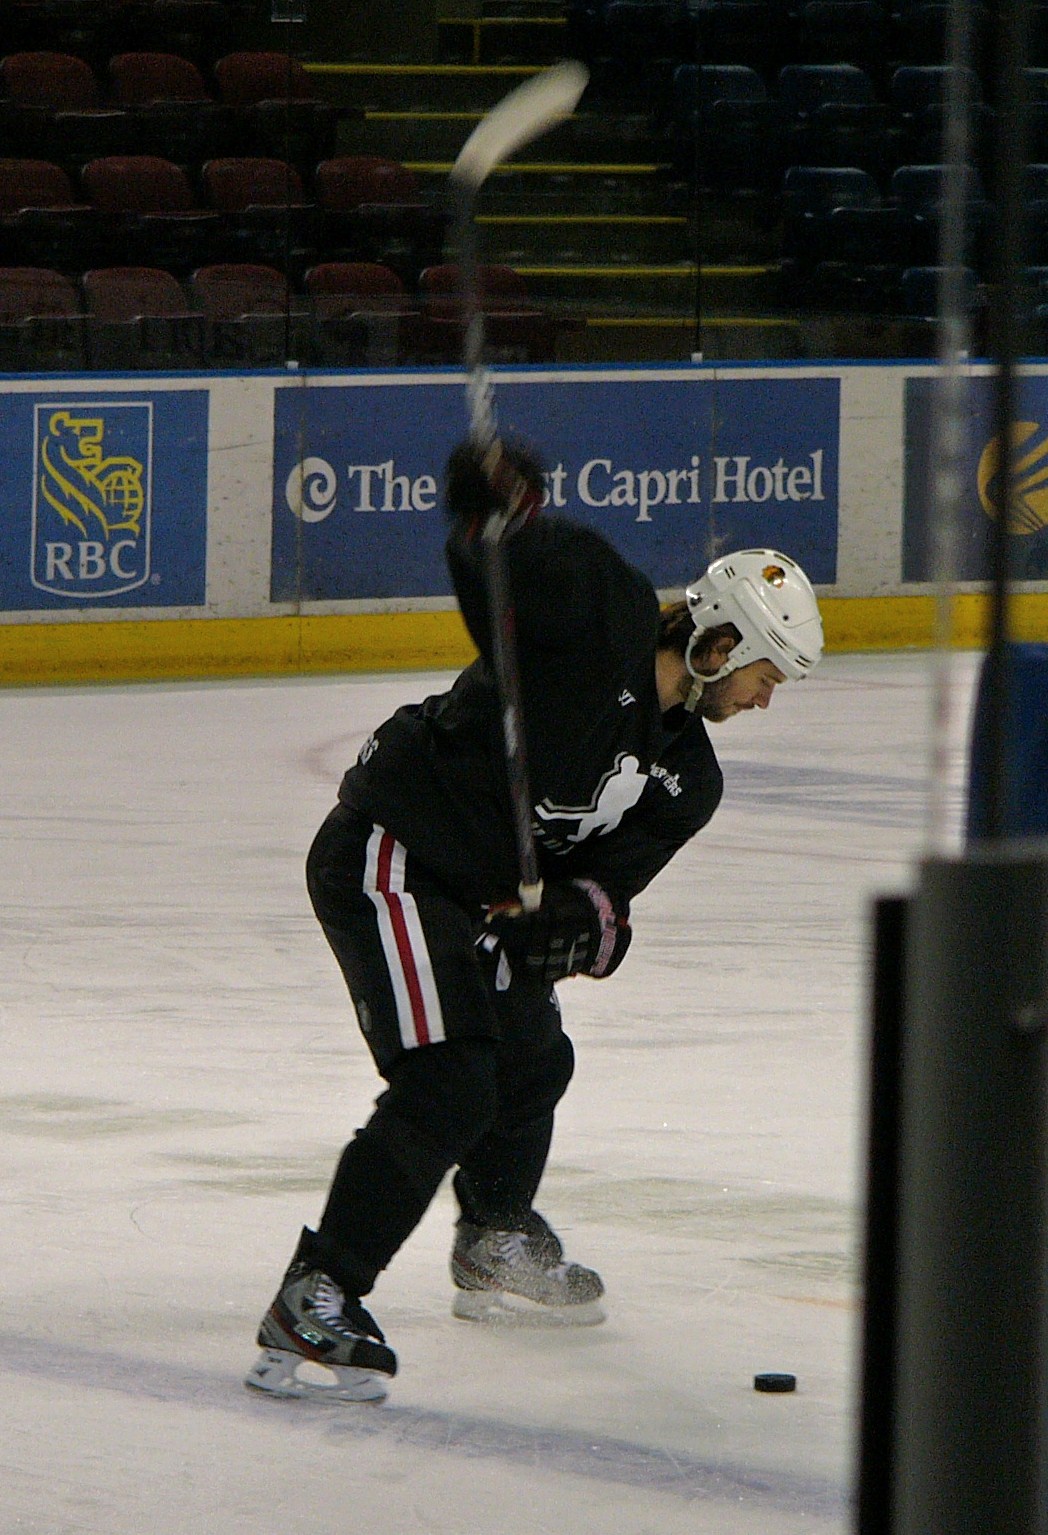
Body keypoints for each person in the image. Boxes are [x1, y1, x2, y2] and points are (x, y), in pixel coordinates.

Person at [245, 437, 824, 1403]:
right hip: (400, 850)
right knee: (448, 1084)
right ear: (721, 644)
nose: (766, 699)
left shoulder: (692, 779)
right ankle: (318, 1293)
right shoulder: (604, 612)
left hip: (480, 897)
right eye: (768, 673)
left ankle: (495, 1233)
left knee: (534, 1059)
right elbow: (505, 570)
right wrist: (495, 513)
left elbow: (607, 893)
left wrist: (574, 925)